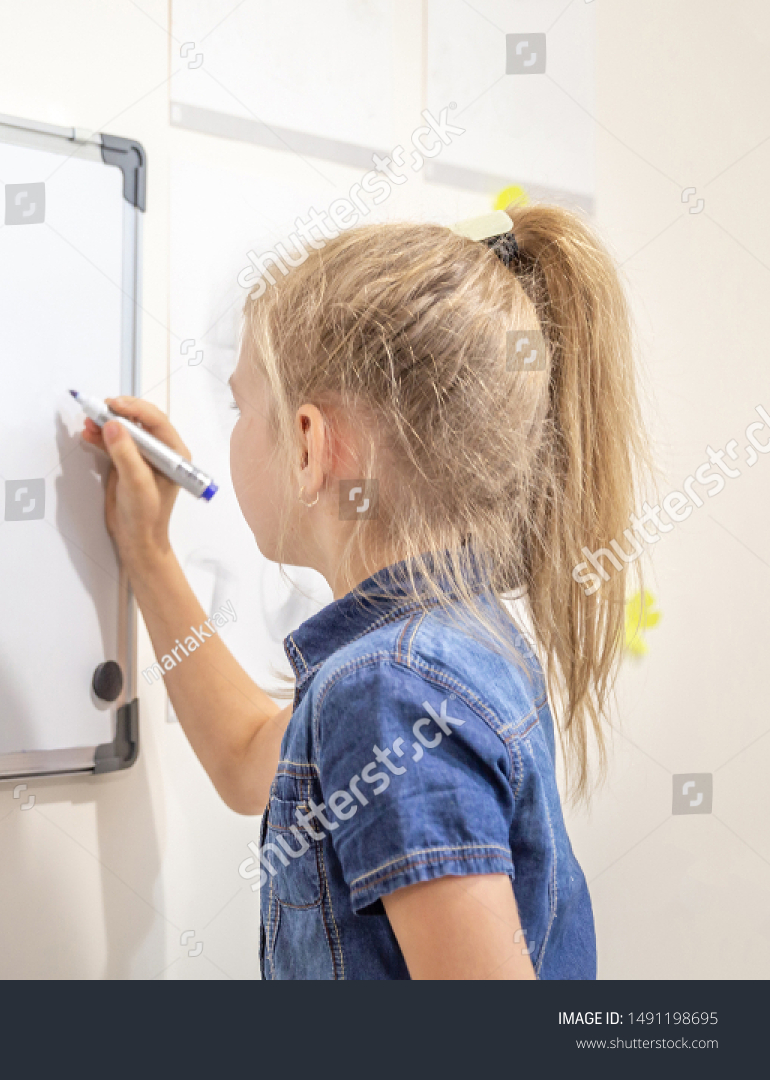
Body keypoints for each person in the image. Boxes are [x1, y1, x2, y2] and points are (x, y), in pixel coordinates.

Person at [83, 205, 645, 979]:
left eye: (243, 406)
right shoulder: (444, 646)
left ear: (311, 444)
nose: (234, 432)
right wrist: (147, 550)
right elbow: (250, 756)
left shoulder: (389, 687)